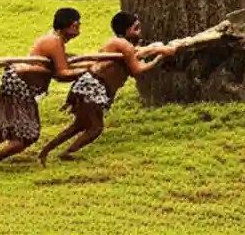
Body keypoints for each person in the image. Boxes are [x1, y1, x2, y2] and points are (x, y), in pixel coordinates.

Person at [0, 8, 92, 177]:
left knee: (2, 130)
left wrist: (83, 64)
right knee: (27, 136)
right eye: (77, 23)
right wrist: (88, 70)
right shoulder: (54, 41)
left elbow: (59, 66)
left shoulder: (56, 41)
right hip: (20, 86)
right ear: (70, 24)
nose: (79, 27)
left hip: (19, 84)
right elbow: (62, 74)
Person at [38, 11, 175, 163]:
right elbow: (137, 70)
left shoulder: (123, 45)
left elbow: (133, 61)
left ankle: (47, 151)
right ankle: (66, 153)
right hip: (93, 87)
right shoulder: (123, 45)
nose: (139, 32)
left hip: (94, 87)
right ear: (127, 29)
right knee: (95, 128)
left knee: (80, 125)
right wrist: (159, 58)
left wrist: (156, 50)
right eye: (136, 28)